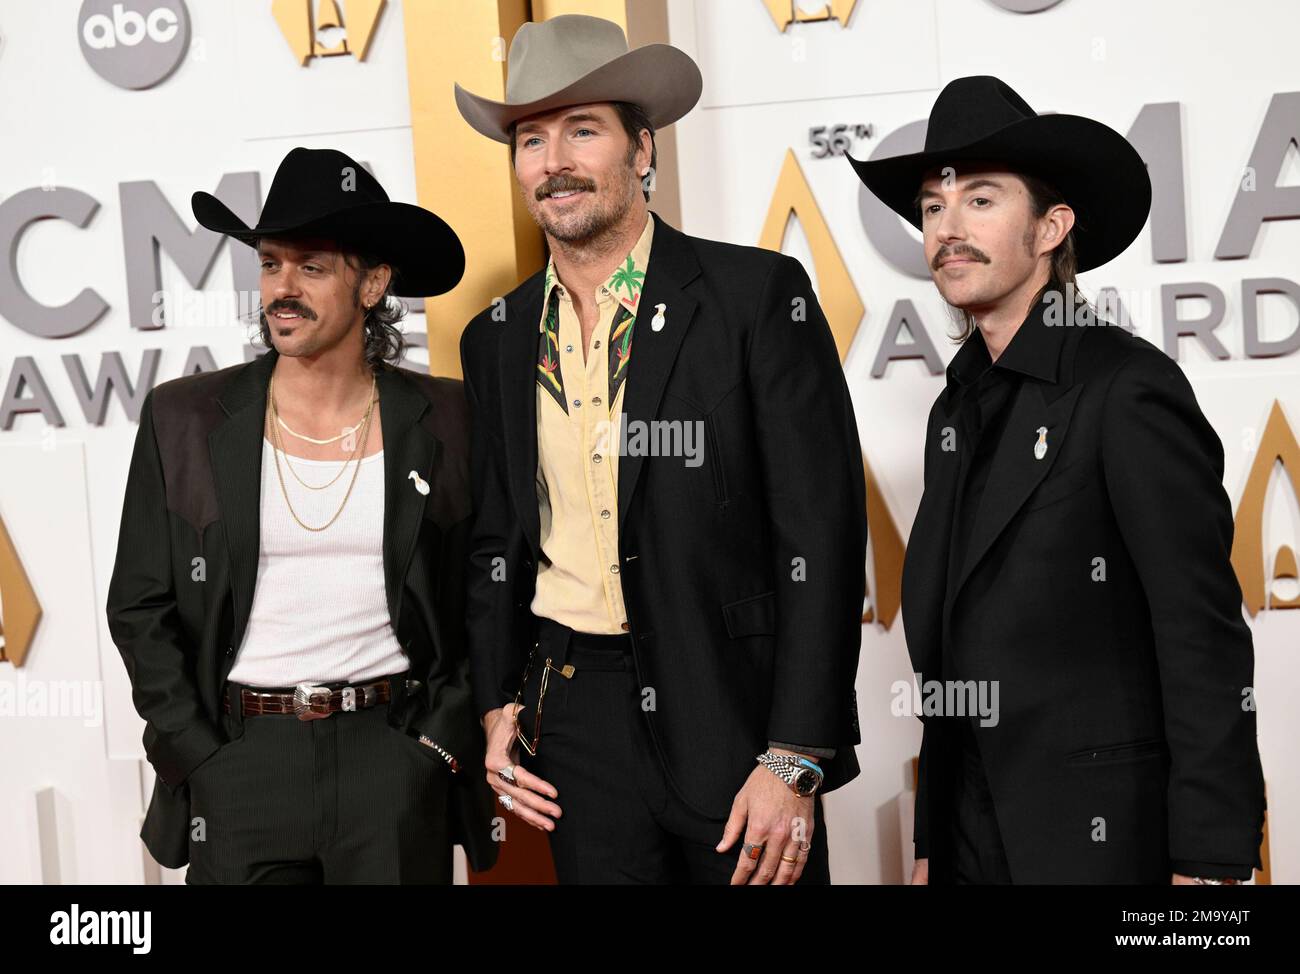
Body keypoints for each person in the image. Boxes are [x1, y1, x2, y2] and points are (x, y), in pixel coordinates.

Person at [455, 15, 867, 884]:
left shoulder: (756, 298)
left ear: (644, 150)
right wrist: (496, 703)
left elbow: (821, 537)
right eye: (532, 139)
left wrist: (796, 754)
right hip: (575, 714)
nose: (553, 160)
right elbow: (498, 537)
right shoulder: (495, 337)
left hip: (733, 703)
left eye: (582, 130)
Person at [849, 76, 1265, 884]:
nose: (947, 230)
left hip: (1104, 844)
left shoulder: (1124, 388)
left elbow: (1201, 636)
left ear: (1051, 227)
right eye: (933, 209)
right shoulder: (953, 411)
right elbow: (952, 655)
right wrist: (935, 837)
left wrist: (1210, 861)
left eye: (980, 200)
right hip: (973, 844)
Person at [106, 146, 497, 883]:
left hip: (393, 755)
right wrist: (198, 751)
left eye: (312, 267)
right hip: (243, 761)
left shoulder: (447, 418)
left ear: (374, 283)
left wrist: (438, 742)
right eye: (271, 264)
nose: (283, 288)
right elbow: (138, 603)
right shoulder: (185, 418)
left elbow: (487, 591)